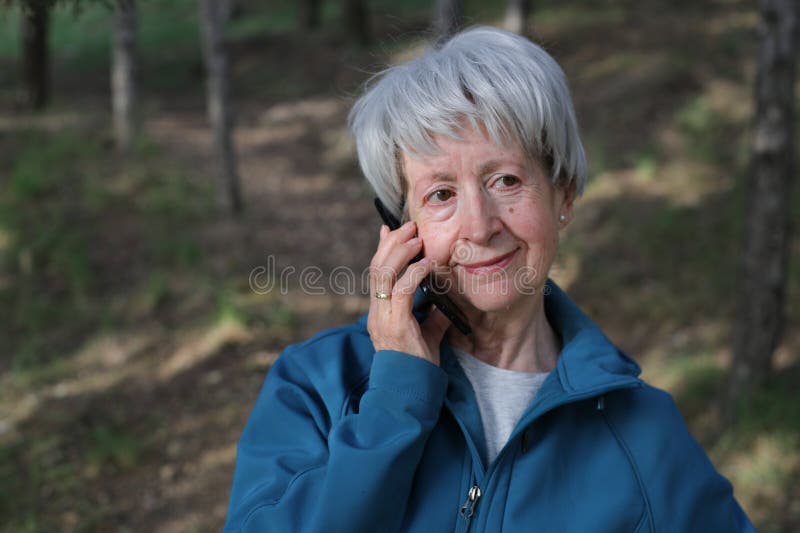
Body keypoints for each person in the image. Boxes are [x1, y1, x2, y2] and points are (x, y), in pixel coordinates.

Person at [223, 26, 755, 532]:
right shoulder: (318, 384)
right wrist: (393, 406)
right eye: (441, 194)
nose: (478, 225)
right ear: (400, 225)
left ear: (563, 194)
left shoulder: (645, 438)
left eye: (505, 180)